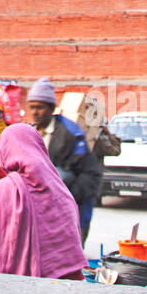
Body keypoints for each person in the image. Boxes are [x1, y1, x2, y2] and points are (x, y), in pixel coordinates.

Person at [0, 123, 88, 279]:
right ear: (40, 148)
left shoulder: (0, 191)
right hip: (60, 290)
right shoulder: (63, 195)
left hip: (11, 290)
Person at [26, 78, 101, 242]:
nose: (35, 112)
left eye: (40, 107)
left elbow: (91, 174)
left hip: (70, 208)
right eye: (32, 107)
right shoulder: (29, 134)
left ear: (52, 108)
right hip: (40, 210)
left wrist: (66, 196)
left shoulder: (71, 134)